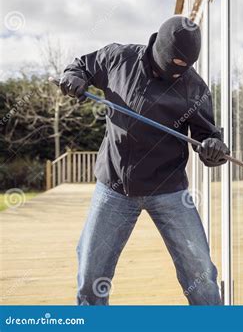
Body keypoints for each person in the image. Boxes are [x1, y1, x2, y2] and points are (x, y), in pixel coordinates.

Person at [59, 16, 228, 305]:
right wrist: (74, 77)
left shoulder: (194, 88)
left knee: (200, 271)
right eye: (174, 66)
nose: (179, 74)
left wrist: (214, 148)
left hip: (169, 190)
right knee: (91, 272)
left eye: (186, 68)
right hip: (114, 187)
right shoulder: (118, 59)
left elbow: (208, 139)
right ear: (160, 50)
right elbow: (82, 66)